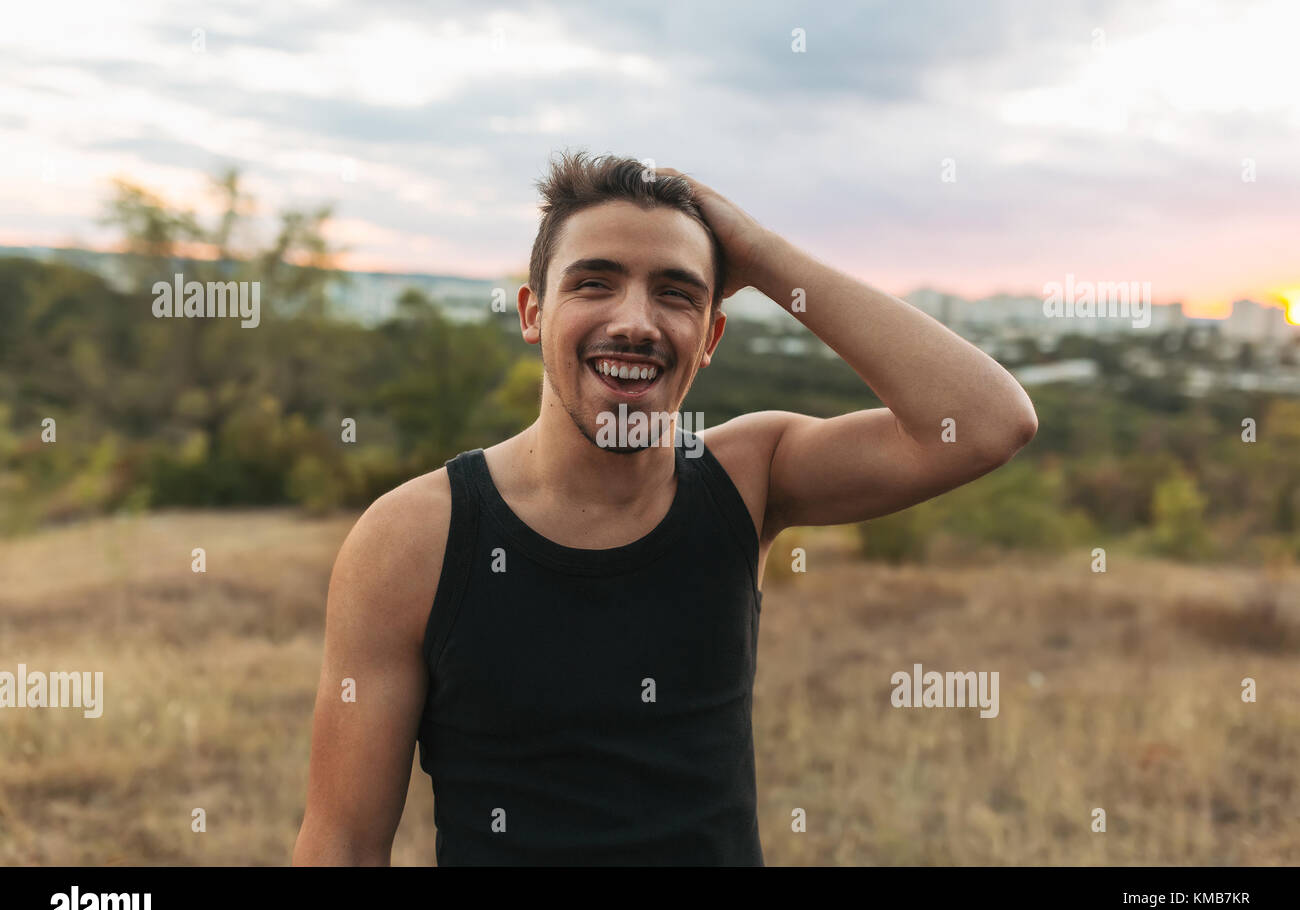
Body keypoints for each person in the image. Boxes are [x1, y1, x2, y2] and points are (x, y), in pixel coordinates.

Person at [292, 150, 1037, 865]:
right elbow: (344, 847)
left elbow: (985, 425)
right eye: (594, 283)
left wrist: (762, 252)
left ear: (711, 336)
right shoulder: (415, 536)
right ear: (532, 312)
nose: (636, 323)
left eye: (676, 293)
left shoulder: (748, 477)